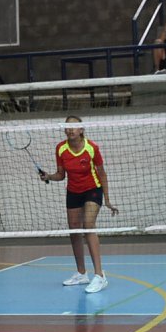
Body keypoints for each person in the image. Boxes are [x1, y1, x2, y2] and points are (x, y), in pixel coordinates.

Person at [38, 119, 117, 293]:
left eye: (73, 126)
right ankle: (82, 273)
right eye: (67, 127)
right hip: (73, 192)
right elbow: (61, 175)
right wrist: (48, 177)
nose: (70, 129)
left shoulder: (92, 148)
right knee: (74, 230)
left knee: (88, 226)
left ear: (81, 129)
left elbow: (102, 173)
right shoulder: (61, 148)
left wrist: (108, 199)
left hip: (93, 189)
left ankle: (100, 276)